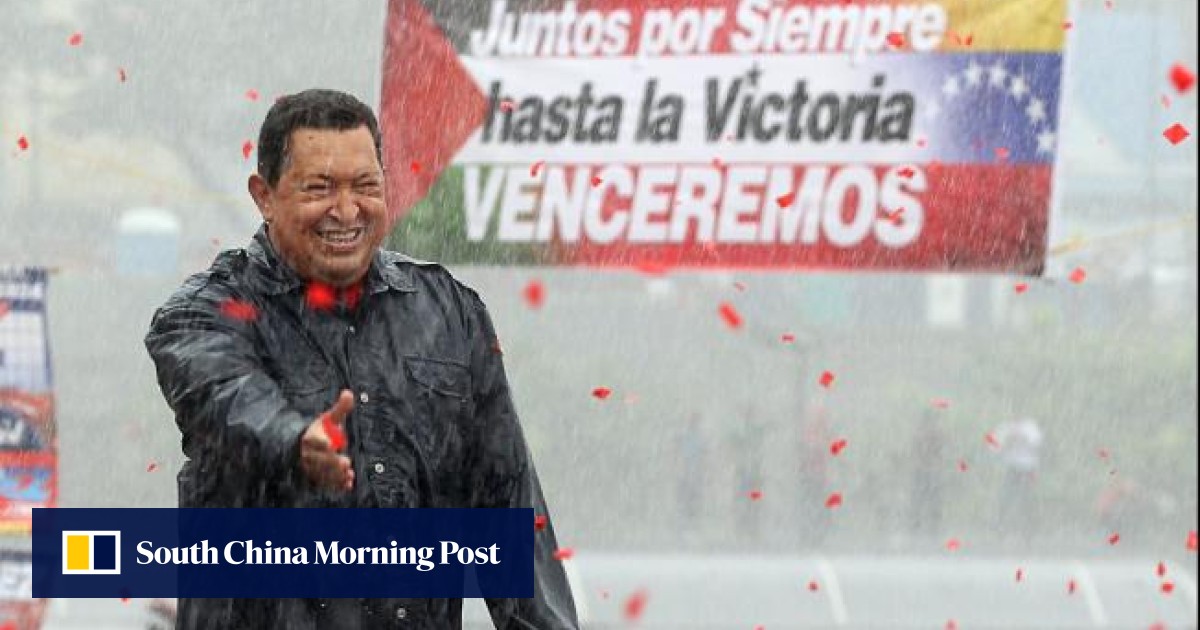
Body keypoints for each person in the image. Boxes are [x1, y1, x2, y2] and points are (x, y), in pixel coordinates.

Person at [143, 89, 579, 629]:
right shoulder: (202, 313)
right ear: (265, 195)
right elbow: (224, 395)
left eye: (366, 186)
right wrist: (293, 438)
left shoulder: (450, 313)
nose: (347, 211)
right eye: (320, 189)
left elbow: (509, 511)